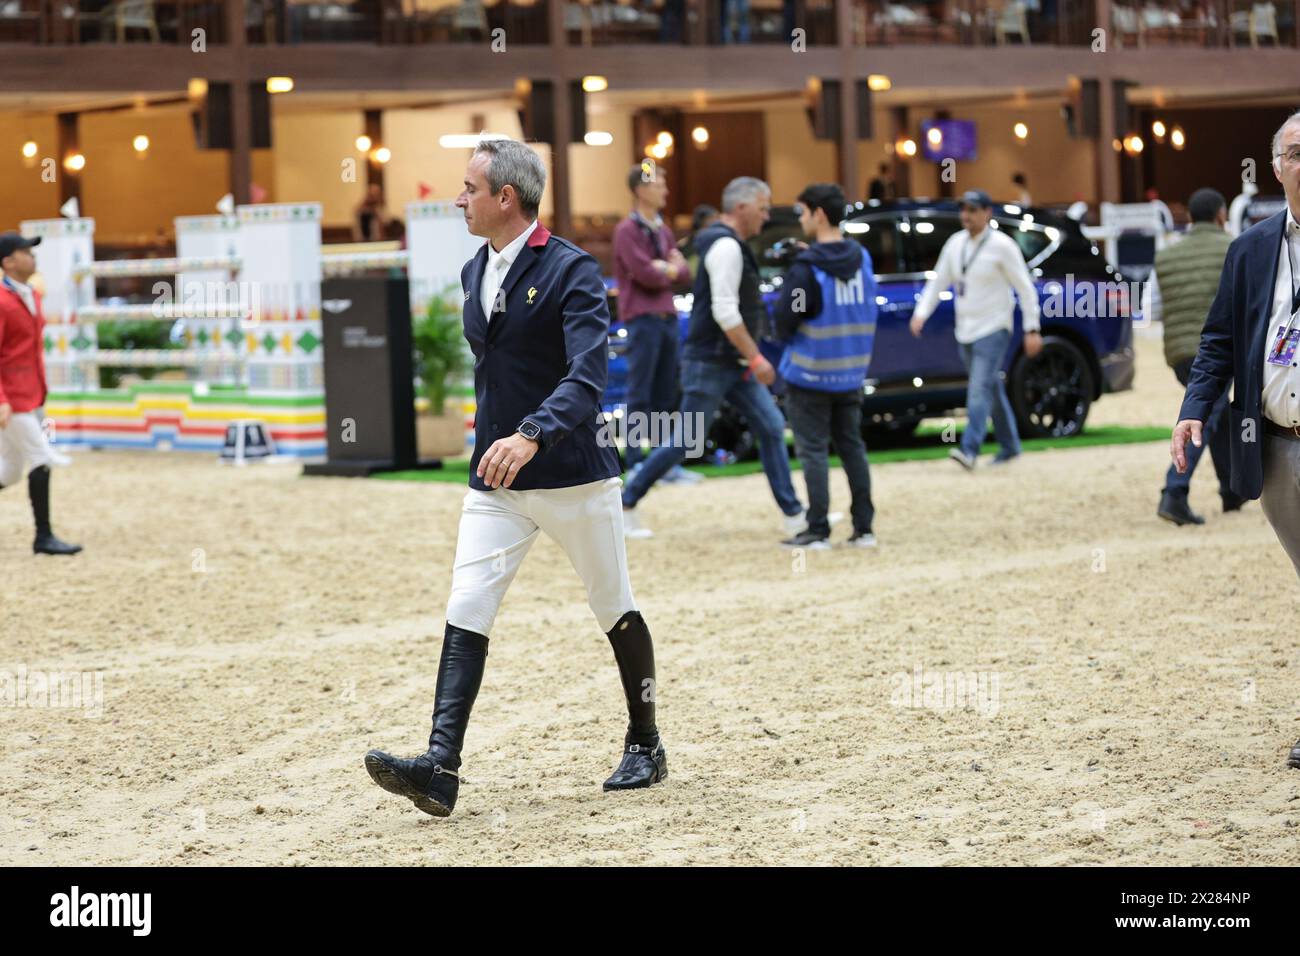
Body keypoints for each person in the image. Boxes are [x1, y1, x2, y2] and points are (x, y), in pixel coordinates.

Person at [364, 139, 667, 816]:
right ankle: (441, 765)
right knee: (467, 605)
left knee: (612, 603)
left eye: (469, 187)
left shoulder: (573, 272)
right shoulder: (476, 270)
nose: (458, 198)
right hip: (495, 482)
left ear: (507, 197)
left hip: (573, 477)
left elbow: (588, 378)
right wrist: (497, 443)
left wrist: (532, 433)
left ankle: (645, 743)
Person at [1170, 109, 1300, 770]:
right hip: (1277, 448)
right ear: (1277, 169)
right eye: (1298, 153)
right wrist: (1194, 407)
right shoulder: (1250, 250)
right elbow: (1218, 342)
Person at [621, 176, 806, 538]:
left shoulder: (721, 244)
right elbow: (725, 312)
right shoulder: (726, 248)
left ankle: (795, 514)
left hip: (725, 361)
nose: (766, 217)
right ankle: (625, 501)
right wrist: (756, 358)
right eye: (763, 208)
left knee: (769, 427)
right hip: (713, 360)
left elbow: (681, 274)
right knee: (683, 439)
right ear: (742, 207)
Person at [772, 183, 878, 550]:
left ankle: (817, 528)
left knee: (813, 451)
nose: (800, 220)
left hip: (810, 372)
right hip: (851, 371)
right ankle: (864, 528)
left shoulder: (806, 269)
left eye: (802, 212)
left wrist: (798, 269)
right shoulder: (862, 258)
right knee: (852, 447)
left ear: (818, 214)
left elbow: (786, 319)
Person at [910, 189, 1043, 469]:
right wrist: (921, 313)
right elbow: (938, 282)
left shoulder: (1003, 247)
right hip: (965, 330)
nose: (966, 216)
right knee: (990, 387)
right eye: (963, 210)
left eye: (972, 210)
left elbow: (1025, 289)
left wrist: (1032, 328)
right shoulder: (955, 244)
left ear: (987, 213)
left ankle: (969, 449)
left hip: (994, 328)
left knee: (978, 388)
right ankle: (1010, 446)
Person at [1148, 188, 1238, 525]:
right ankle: (1174, 491)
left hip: (1179, 351)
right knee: (1206, 416)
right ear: (1220, 215)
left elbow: (1152, 308)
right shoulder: (1234, 247)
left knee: (1217, 413)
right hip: (1218, 350)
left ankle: (1232, 491)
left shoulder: (1167, 254)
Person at [611, 162, 698, 483]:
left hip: (666, 318)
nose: (666, 190)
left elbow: (684, 271)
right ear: (641, 189)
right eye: (660, 184)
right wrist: (668, 268)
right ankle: (635, 462)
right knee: (640, 392)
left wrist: (666, 268)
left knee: (665, 392)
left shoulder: (663, 229)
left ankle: (662, 464)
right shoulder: (626, 231)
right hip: (642, 318)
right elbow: (645, 274)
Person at [0, 232, 81, 556]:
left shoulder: (32, 294)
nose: (32, 257)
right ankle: (43, 537)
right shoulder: (2, 302)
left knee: (11, 469)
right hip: (13, 397)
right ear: (8, 262)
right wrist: (2, 398)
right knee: (40, 456)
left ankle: (44, 537)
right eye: (24, 252)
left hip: (32, 392)